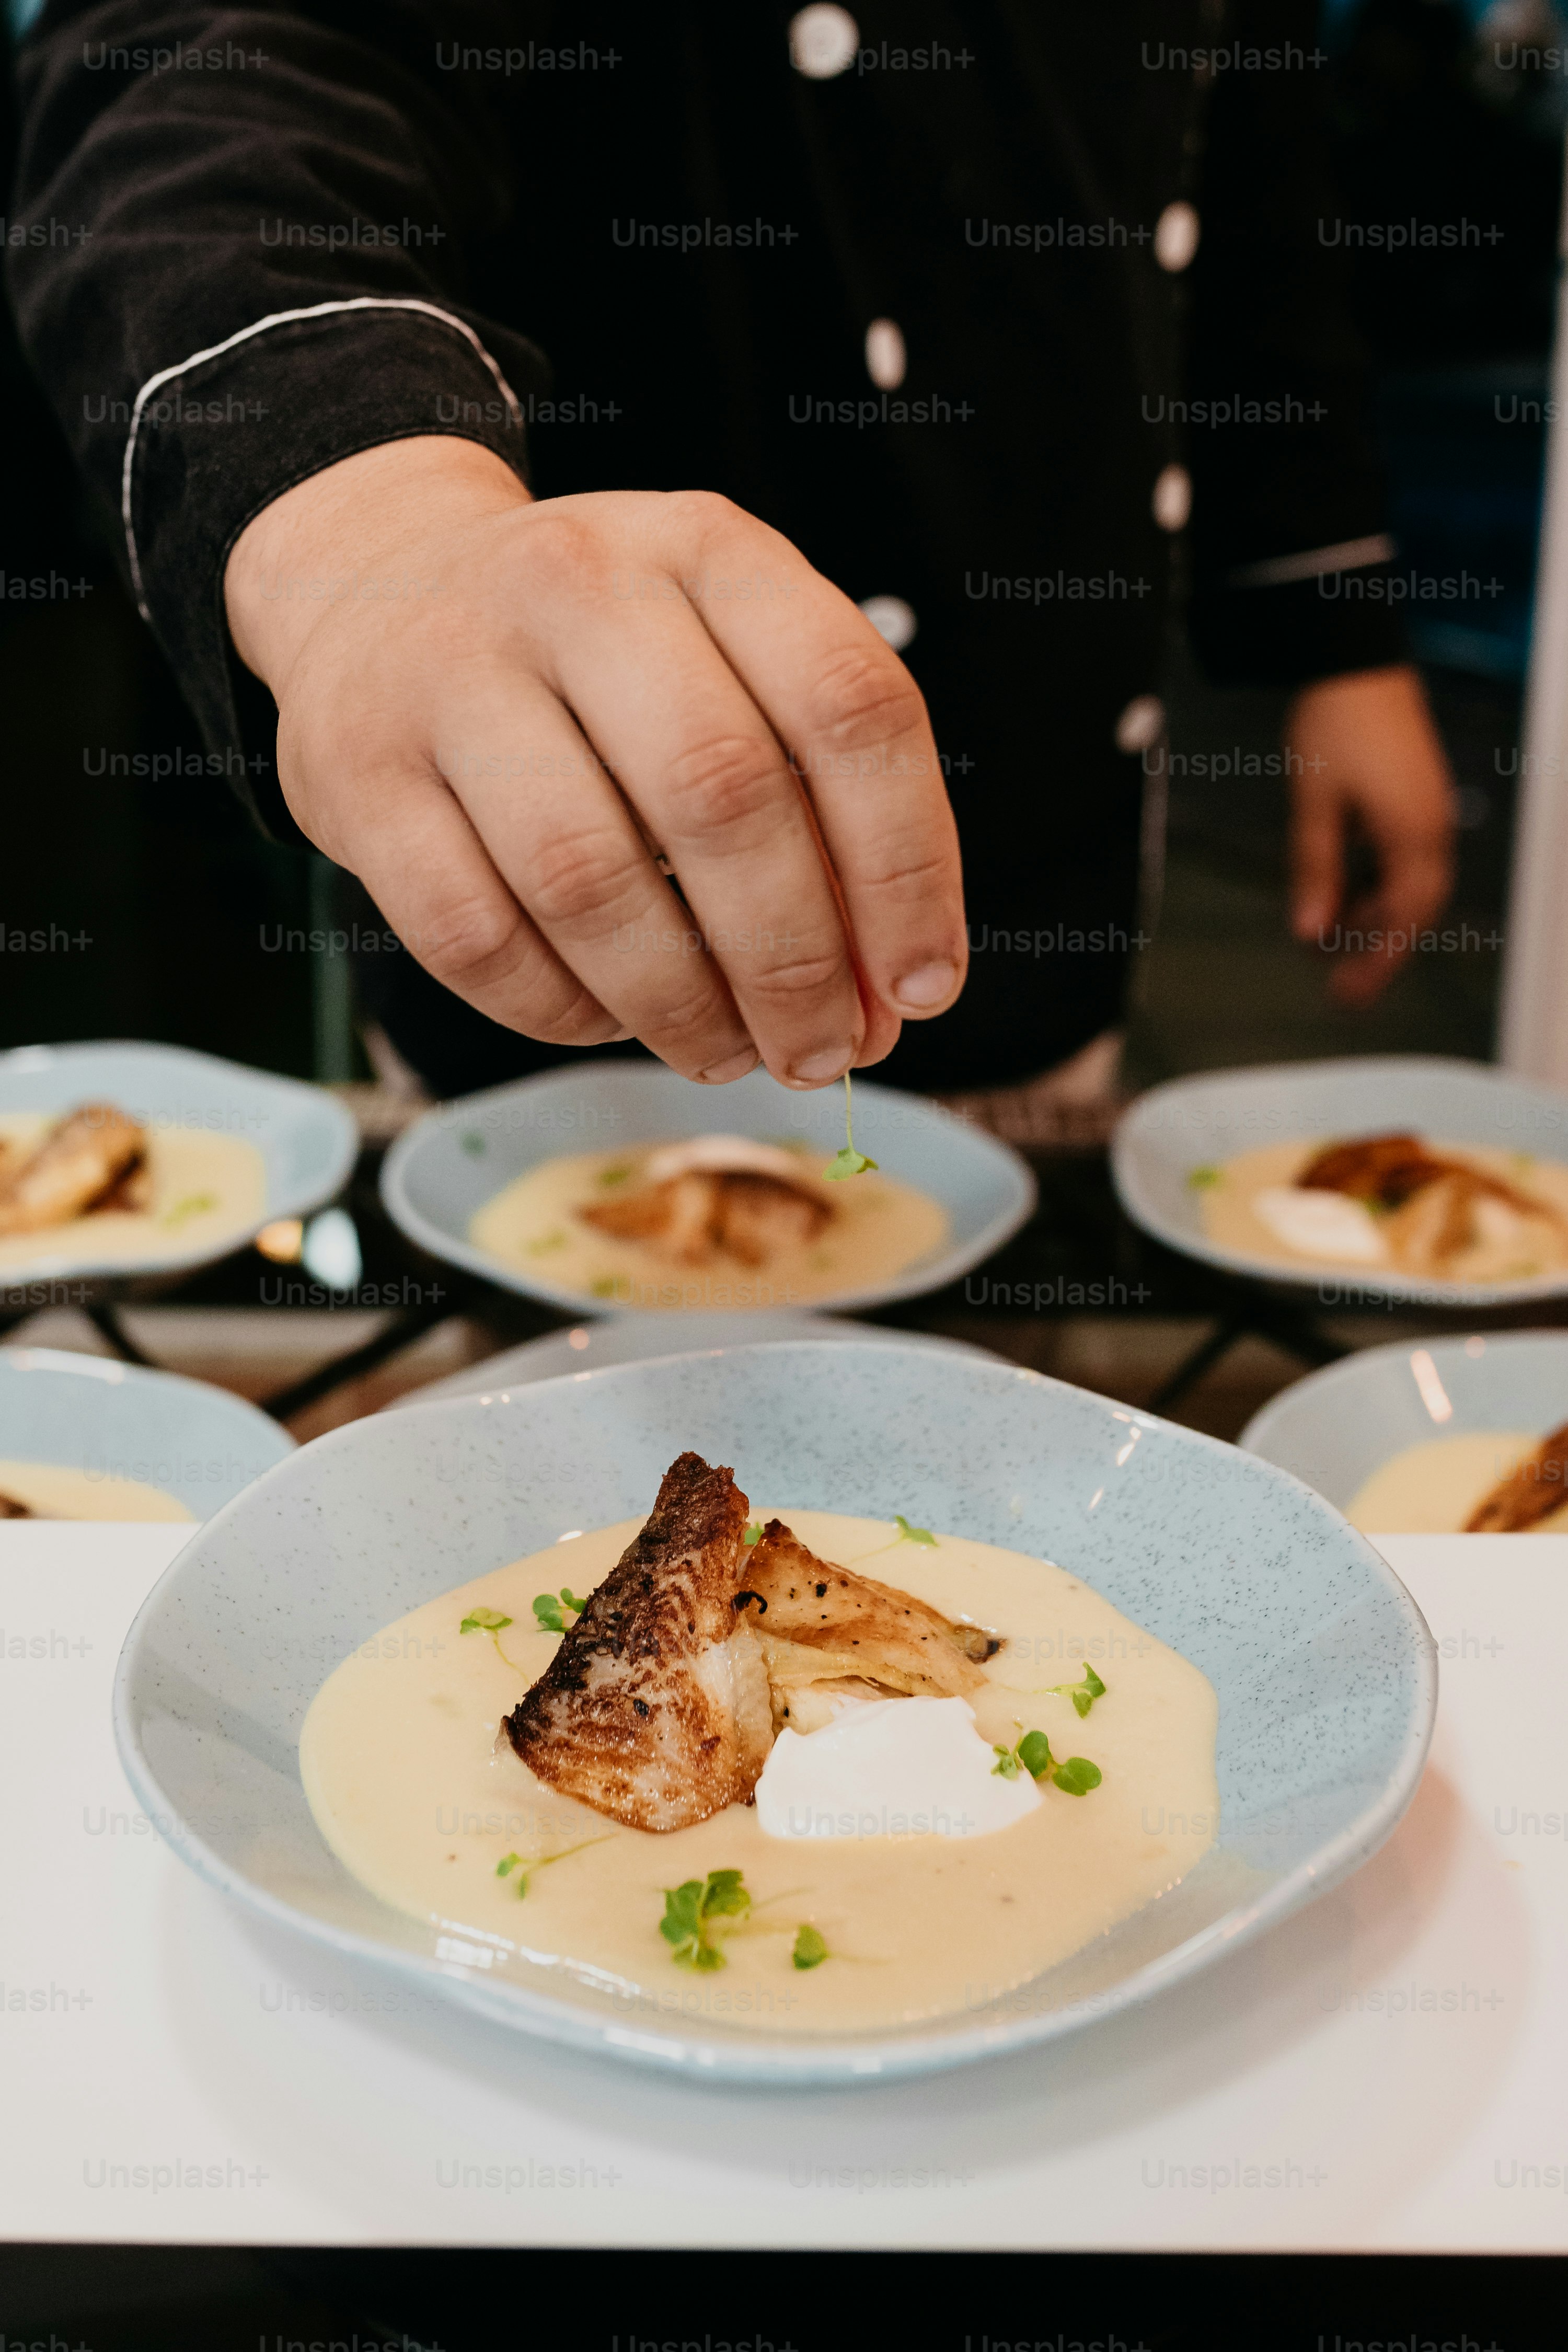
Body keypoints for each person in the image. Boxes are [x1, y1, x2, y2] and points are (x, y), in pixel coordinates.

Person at [8, 1, 1455, 1127]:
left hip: (1044, 798)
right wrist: (370, 533)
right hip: (570, 841)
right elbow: (217, 68)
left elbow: (1248, 167)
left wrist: (1332, 620)